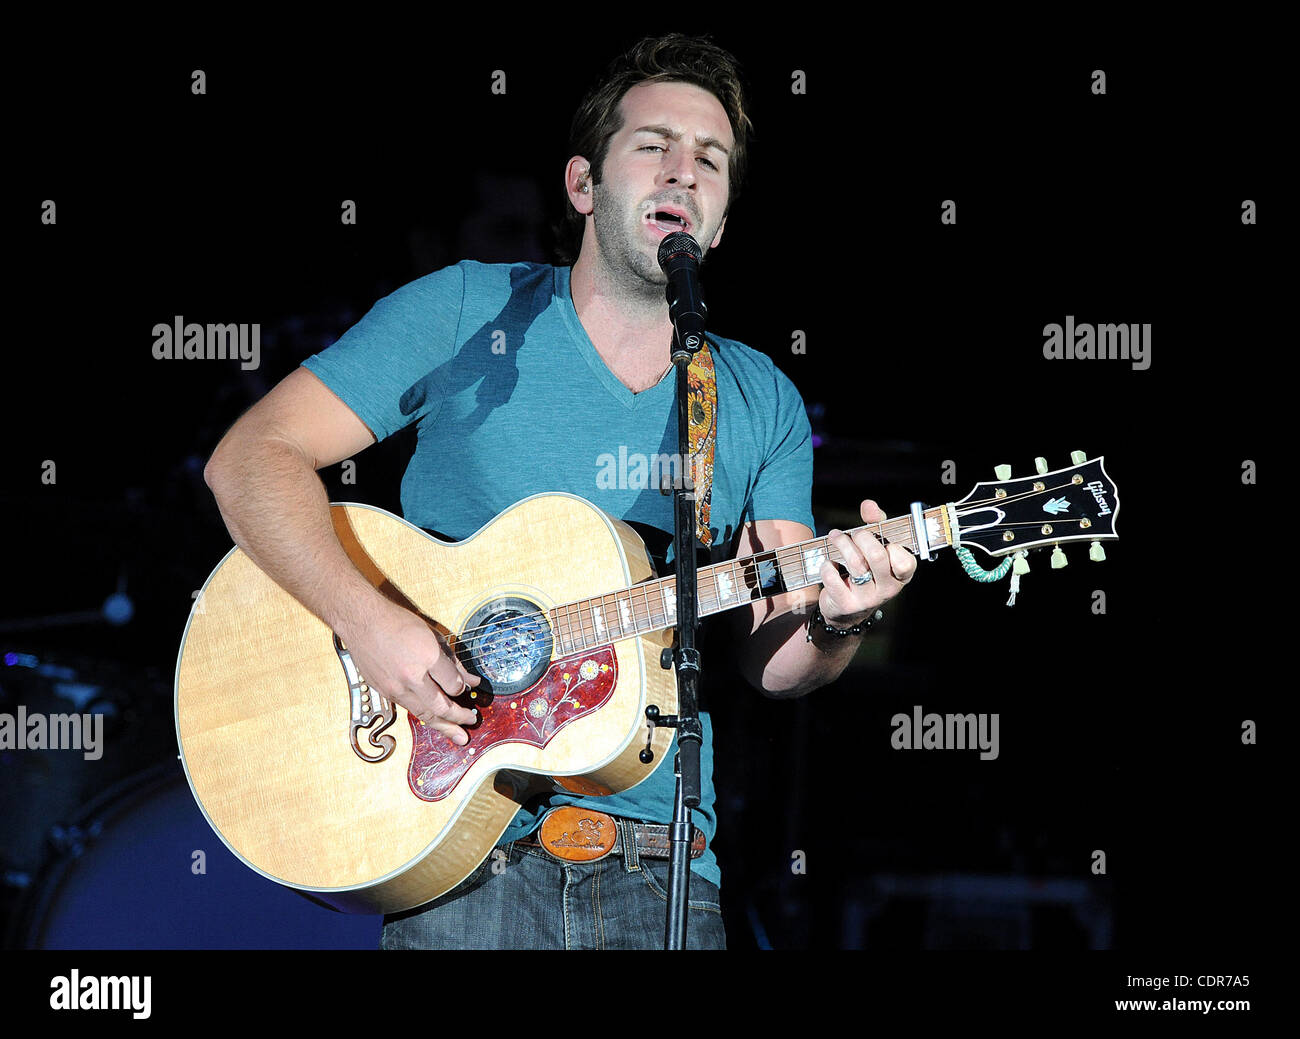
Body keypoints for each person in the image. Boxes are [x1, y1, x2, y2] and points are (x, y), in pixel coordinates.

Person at [202, 33, 916, 950]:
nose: (683, 173)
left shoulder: (756, 397)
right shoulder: (465, 309)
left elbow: (774, 657)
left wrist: (841, 619)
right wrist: (367, 622)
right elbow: (251, 458)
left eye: (710, 160)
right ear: (583, 185)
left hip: (662, 866)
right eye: (653, 145)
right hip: (465, 849)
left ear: (725, 219)